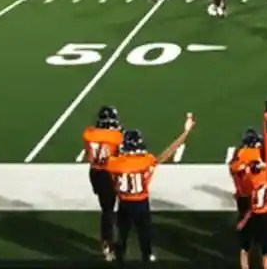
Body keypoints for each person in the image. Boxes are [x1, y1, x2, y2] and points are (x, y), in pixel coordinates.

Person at [105, 113, 195, 265]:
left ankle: (118, 260)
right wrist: (185, 133)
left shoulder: (113, 163)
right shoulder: (146, 161)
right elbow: (168, 153)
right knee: (144, 233)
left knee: (122, 234)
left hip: (124, 202)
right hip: (140, 203)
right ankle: (146, 258)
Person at [81, 105, 123, 261]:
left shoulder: (88, 134)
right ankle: (110, 242)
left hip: (95, 173)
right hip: (108, 174)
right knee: (112, 209)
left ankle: (108, 241)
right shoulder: (116, 136)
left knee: (107, 208)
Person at [228, 129, 264, 269]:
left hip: (242, 197)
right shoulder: (254, 154)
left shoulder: (239, 154)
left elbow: (234, 169)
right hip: (253, 197)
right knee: (262, 238)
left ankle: (245, 266)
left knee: (245, 241)